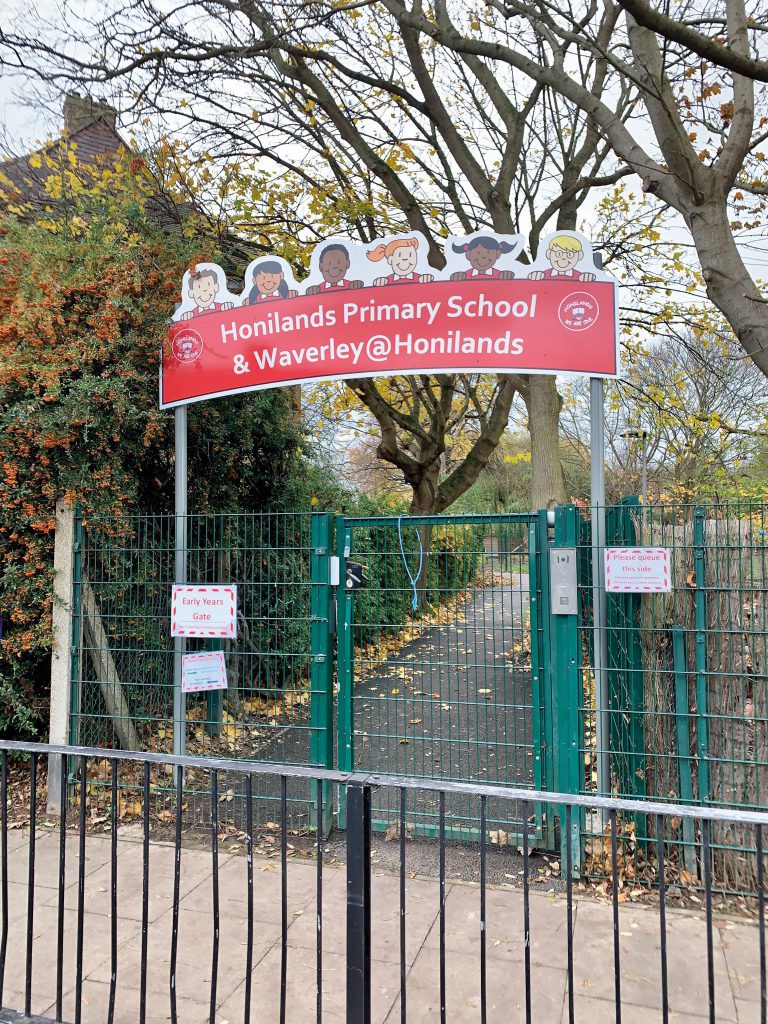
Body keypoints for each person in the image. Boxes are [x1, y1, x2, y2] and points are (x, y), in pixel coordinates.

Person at [367, 237, 434, 285]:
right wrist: (379, 282)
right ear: (390, 259)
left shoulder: (420, 279)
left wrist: (427, 279)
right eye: (399, 255)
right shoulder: (386, 281)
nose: (405, 259)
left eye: (410, 255)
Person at [527, 235, 596, 282]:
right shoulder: (542, 276)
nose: (563, 257)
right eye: (558, 253)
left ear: (579, 255)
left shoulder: (582, 277)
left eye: (569, 254)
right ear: (549, 253)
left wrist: (589, 278)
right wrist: (534, 277)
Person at [449, 236, 516, 280]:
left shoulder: (501, 275)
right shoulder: (463, 276)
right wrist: (456, 277)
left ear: (498, 254)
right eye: (478, 253)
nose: (483, 256)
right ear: (468, 255)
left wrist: (507, 276)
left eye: (488, 253)